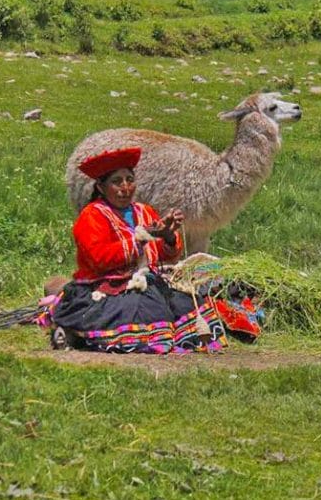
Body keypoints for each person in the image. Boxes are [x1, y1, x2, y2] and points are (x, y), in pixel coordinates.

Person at [50, 147, 227, 353]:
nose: (126, 187)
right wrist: (139, 241)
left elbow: (161, 255)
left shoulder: (144, 211)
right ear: (100, 186)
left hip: (146, 282)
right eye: (117, 182)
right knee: (145, 311)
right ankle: (79, 334)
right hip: (107, 286)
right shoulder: (92, 216)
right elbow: (99, 259)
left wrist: (168, 236)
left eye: (130, 179)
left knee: (186, 305)